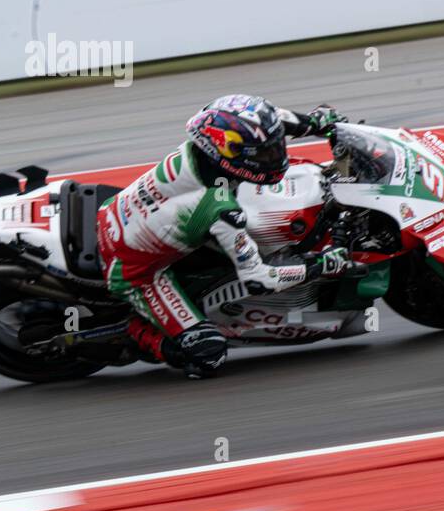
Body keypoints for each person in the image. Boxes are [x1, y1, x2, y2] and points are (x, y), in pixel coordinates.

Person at [96, 94, 349, 378]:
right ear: (228, 153)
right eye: (264, 155)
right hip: (134, 271)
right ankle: (133, 331)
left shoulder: (207, 149)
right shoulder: (219, 208)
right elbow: (258, 279)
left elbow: (270, 120)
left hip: (124, 215)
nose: (276, 157)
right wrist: (321, 265)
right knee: (208, 354)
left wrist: (315, 123)